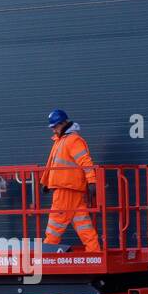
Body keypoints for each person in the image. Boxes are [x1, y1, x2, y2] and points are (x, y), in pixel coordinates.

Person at [41, 108, 101, 253]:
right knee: (83, 225)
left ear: (63, 123)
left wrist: (92, 181)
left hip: (65, 191)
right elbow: (53, 163)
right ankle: (95, 253)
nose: (53, 130)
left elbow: (86, 162)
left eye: (55, 126)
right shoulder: (62, 140)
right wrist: (46, 181)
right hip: (71, 190)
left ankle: (45, 256)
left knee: (54, 227)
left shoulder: (72, 140)